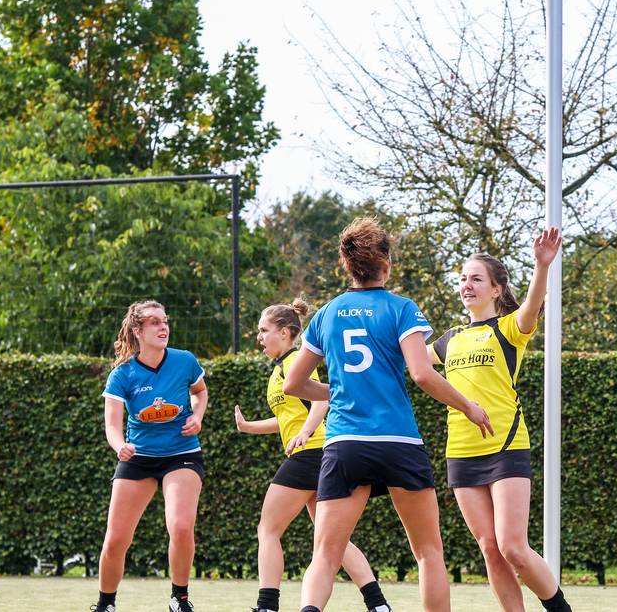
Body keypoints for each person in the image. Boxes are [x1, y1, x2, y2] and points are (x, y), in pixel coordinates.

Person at [285, 217, 493, 612]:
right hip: (398, 442)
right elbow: (421, 373)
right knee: (429, 552)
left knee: (326, 557)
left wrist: (344, 390)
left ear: (347, 265)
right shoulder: (402, 308)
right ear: (386, 263)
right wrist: (468, 406)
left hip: (345, 444)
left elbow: (294, 384)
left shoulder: (326, 314)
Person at [429, 229, 572, 612]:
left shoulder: (508, 330)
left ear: (495, 290)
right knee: (490, 550)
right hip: (460, 452)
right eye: (462, 278)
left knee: (513, 547)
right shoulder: (448, 340)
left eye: (476, 278)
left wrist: (542, 266)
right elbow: (410, 361)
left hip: (505, 447)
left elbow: (531, 306)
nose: (467, 285)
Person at [234, 299, 392, 612]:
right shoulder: (279, 370)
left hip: (312, 453)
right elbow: (286, 421)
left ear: (284, 332)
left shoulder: (295, 362)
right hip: (317, 453)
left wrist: (305, 433)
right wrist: (248, 427)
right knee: (332, 541)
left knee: (268, 529)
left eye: (264, 330)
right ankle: (378, 604)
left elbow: (322, 401)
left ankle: (267, 605)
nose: (259, 337)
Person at [94, 301, 209, 612]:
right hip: (139, 458)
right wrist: (120, 446)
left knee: (182, 526)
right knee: (116, 539)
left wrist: (197, 416)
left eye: (165, 321)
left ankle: (179, 598)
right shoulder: (122, 374)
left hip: (182, 455)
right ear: (137, 331)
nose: (163, 327)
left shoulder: (184, 361)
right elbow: (112, 424)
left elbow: (200, 392)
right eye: (155, 322)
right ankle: (106, 604)